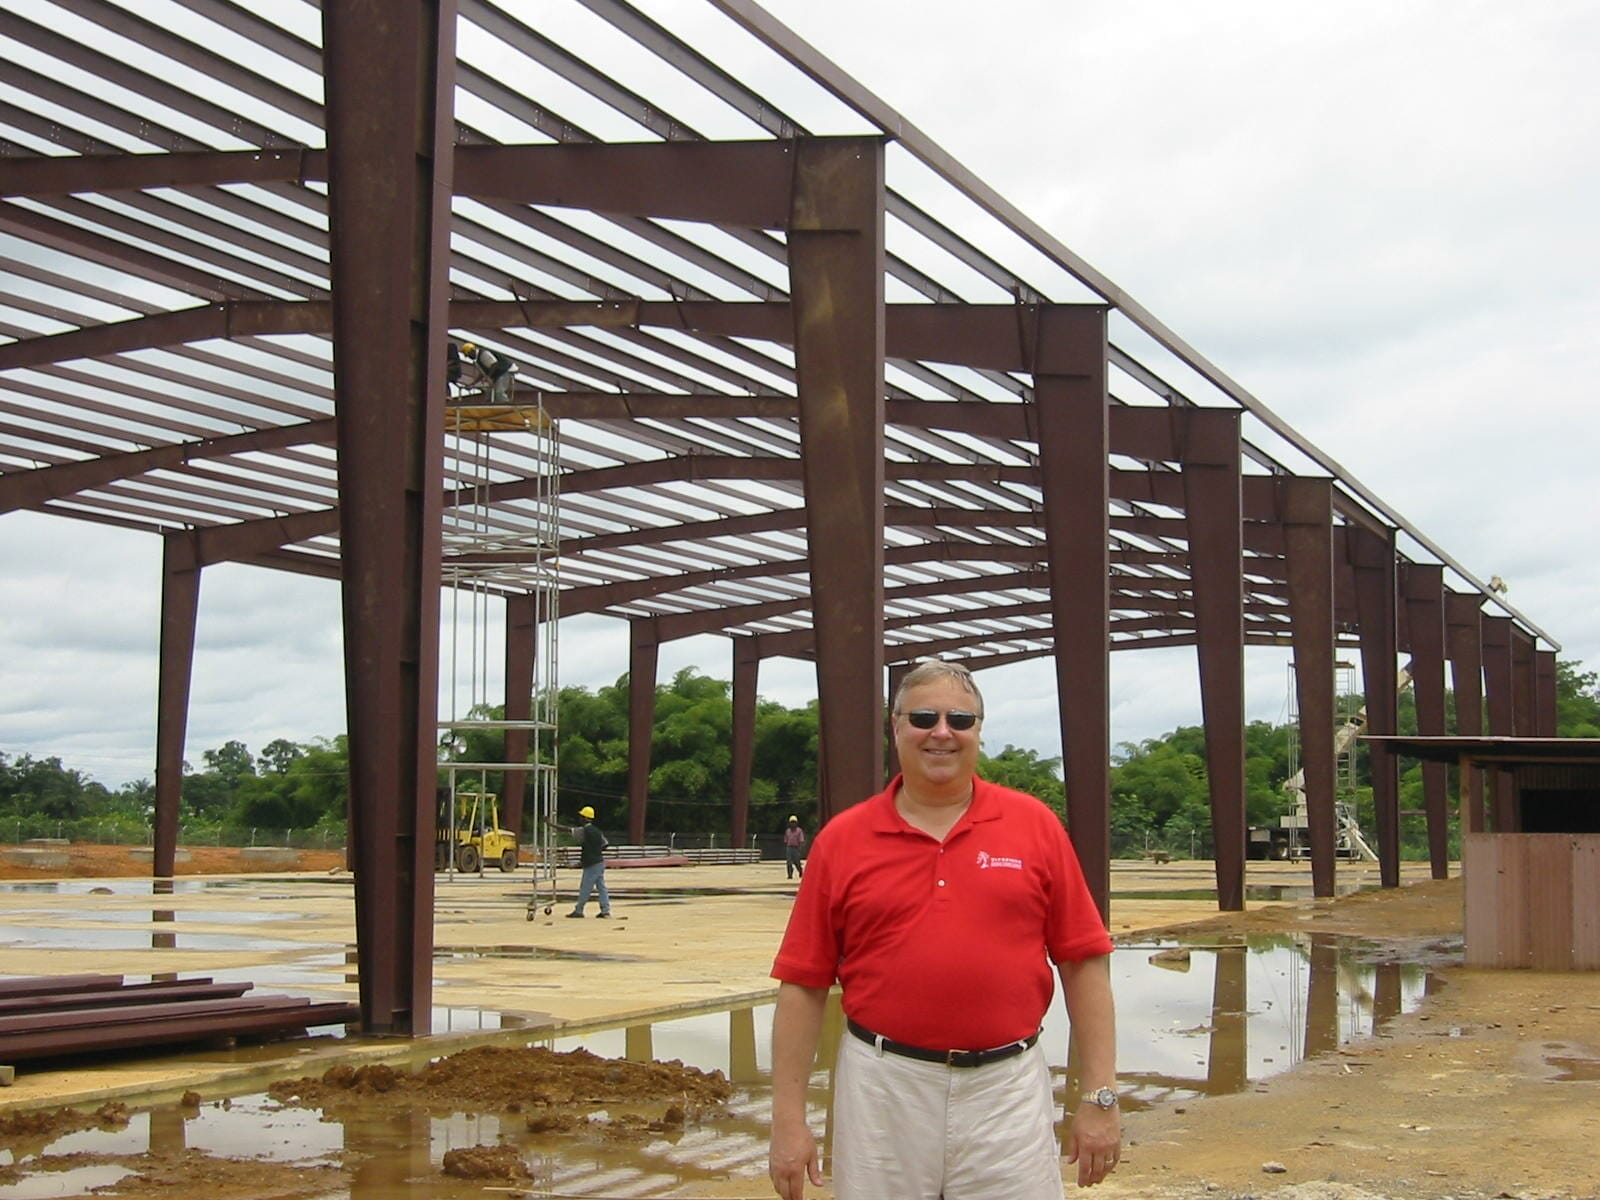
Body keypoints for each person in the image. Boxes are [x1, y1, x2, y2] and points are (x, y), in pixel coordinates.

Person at [767, 660, 1120, 1200]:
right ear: (896, 727)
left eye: (959, 719)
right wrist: (788, 1121)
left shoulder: (1035, 826)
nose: (941, 732)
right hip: (884, 1091)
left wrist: (1100, 1096)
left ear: (978, 729)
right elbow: (803, 985)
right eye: (923, 718)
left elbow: (1083, 962)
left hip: (1007, 1091)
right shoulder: (843, 840)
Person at [554, 805, 610, 919]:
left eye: (581, 816)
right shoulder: (597, 831)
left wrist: (551, 824)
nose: (580, 818)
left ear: (585, 818)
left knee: (585, 887)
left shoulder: (584, 831)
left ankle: (579, 910)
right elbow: (605, 844)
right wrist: (596, 851)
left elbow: (567, 829)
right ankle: (605, 910)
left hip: (591, 864)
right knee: (601, 887)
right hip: (599, 862)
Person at [782, 815, 806, 880]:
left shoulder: (799, 831)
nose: (793, 824)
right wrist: (786, 847)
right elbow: (786, 840)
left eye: (794, 822)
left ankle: (800, 870)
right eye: (792, 822)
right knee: (789, 862)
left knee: (797, 862)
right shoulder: (787, 831)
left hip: (796, 848)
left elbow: (801, 840)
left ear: (796, 823)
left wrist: (800, 848)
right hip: (789, 848)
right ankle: (790, 874)